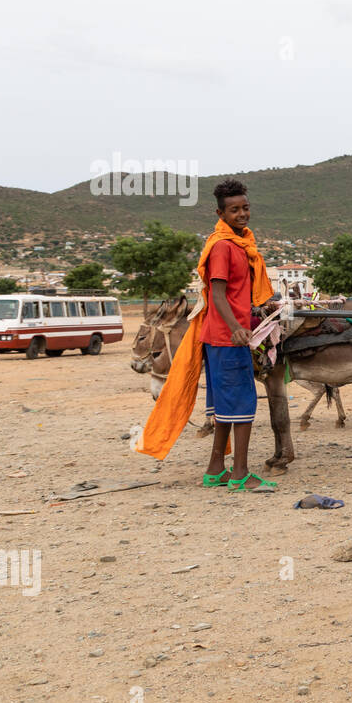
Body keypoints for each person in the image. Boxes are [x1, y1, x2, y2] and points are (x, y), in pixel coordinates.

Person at [137, 179, 276, 491]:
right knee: (242, 404)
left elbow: (239, 292)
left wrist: (261, 307)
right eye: (234, 210)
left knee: (227, 405)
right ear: (220, 212)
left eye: (246, 207)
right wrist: (237, 328)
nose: (242, 214)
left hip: (222, 335)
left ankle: (215, 470)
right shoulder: (224, 247)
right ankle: (240, 474)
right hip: (228, 337)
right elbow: (218, 294)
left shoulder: (240, 244)